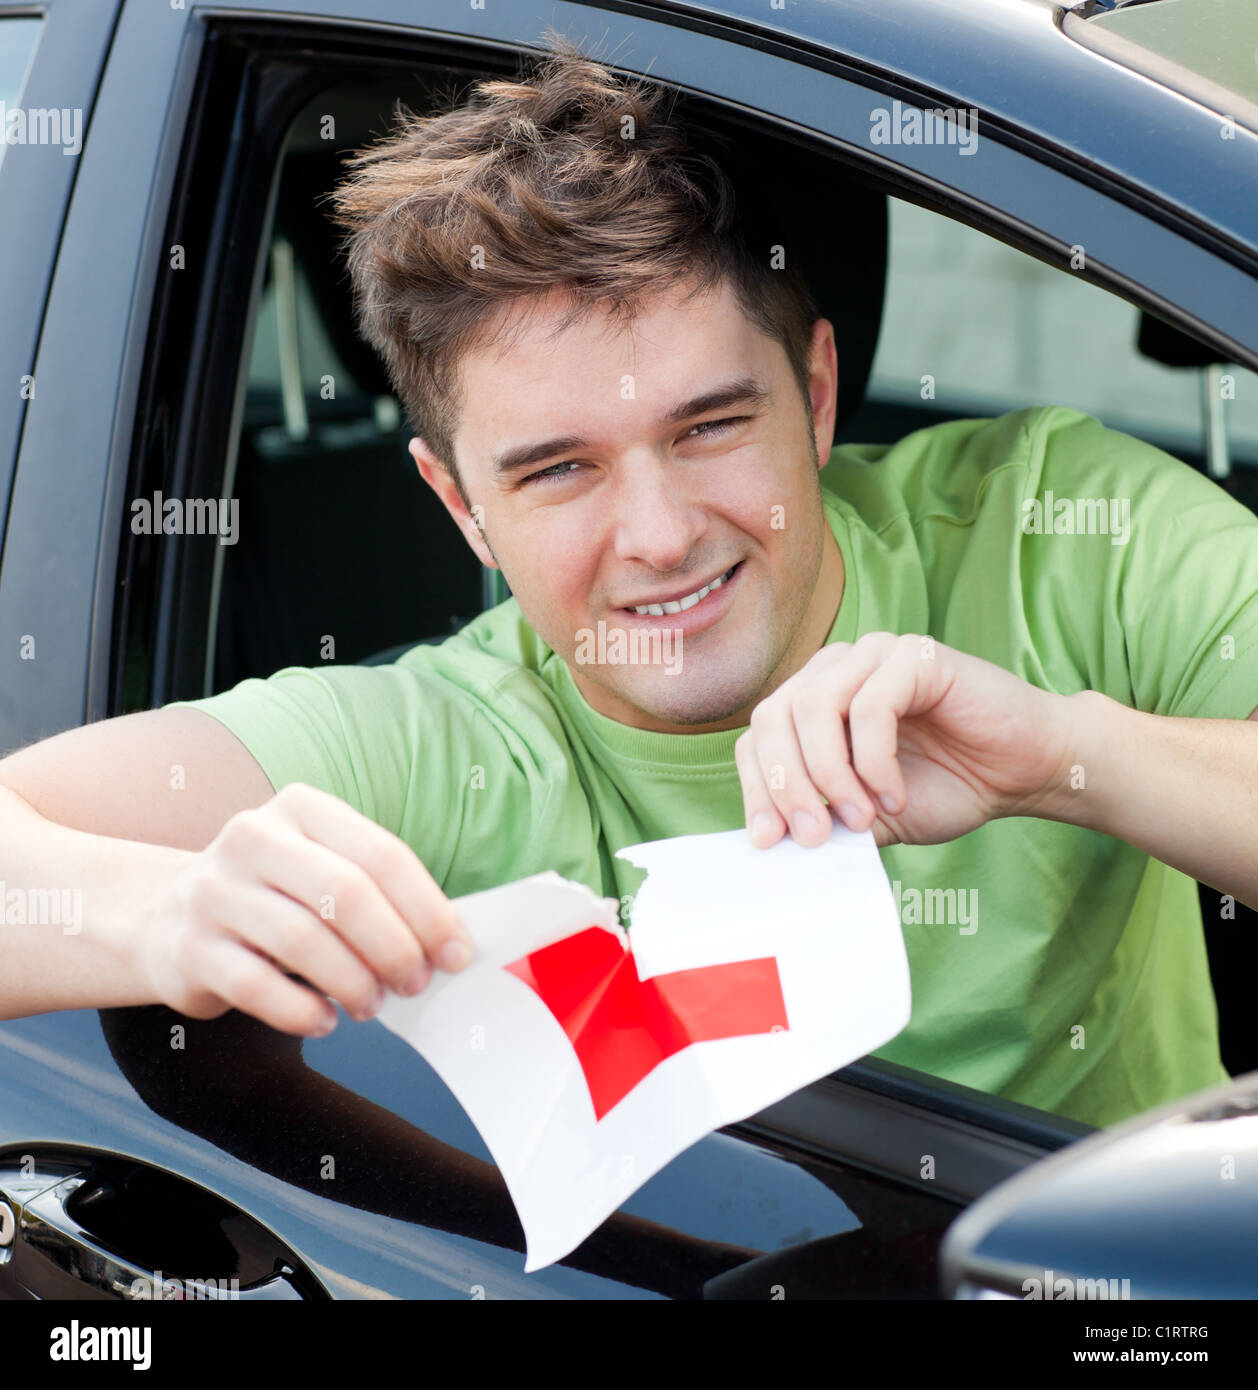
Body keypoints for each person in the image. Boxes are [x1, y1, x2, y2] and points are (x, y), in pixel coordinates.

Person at [2, 37, 1257, 1133]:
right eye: (557, 471)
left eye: (708, 427)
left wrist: (1062, 758)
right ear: (461, 507)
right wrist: (169, 913)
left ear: (815, 399)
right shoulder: (446, 738)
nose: (657, 535)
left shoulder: (1057, 533)